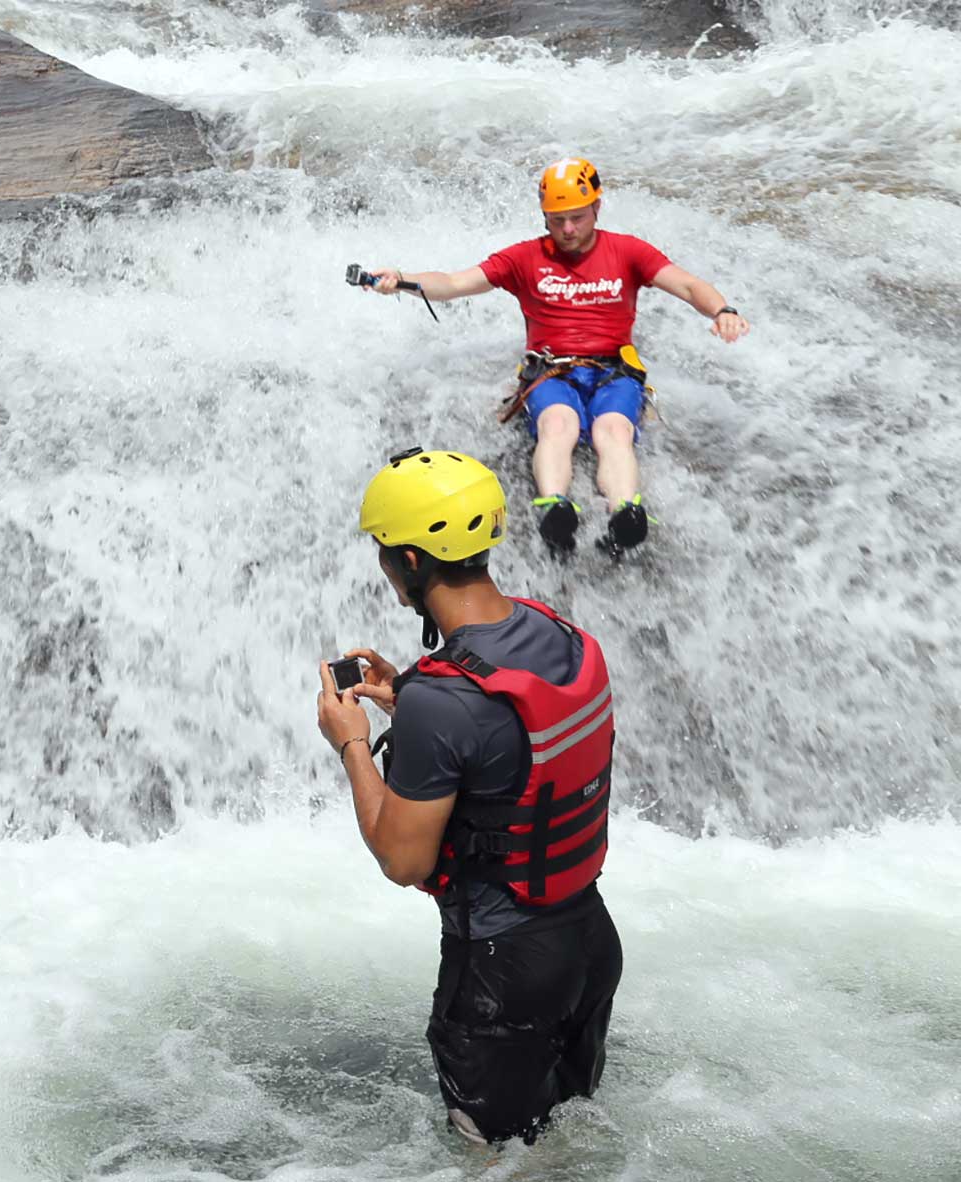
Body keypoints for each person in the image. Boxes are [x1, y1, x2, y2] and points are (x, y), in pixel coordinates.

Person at [315, 446, 623, 1146]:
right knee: (566, 1146)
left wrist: (351, 742)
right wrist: (414, 705)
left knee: (492, 1163)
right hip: (589, 944)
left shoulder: (444, 701)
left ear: (413, 563)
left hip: (502, 978)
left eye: (386, 549)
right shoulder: (558, 632)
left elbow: (402, 858)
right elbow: (515, 753)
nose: (385, 564)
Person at [363, 158, 751, 555]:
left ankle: (626, 514)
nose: (567, 229)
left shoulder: (628, 251)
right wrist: (403, 280)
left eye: (577, 218)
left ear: (597, 208)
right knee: (558, 424)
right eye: (556, 219)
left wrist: (722, 310)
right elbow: (454, 282)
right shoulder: (523, 259)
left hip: (613, 372)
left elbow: (687, 285)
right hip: (552, 371)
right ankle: (555, 508)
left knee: (614, 430)